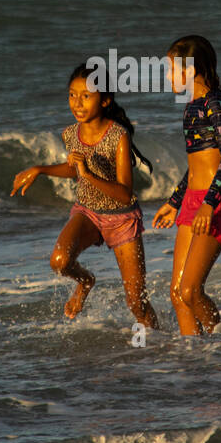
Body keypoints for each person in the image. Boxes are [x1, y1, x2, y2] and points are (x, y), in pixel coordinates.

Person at [11, 64, 159, 327]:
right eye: (71, 95)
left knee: (137, 303)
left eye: (86, 96)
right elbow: (73, 168)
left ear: (105, 100)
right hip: (88, 213)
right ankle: (85, 280)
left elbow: (126, 194)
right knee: (60, 261)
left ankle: (164, 351)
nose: (77, 103)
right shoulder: (70, 134)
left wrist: (88, 174)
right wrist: (40, 169)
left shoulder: (118, 135)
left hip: (121, 219)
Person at [151, 35, 221, 335]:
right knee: (177, 294)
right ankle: (194, 362)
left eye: (172, 69)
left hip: (217, 201)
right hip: (193, 200)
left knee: (190, 291)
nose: (168, 76)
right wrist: (175, 201)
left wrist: (208, 203)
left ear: (191, 70)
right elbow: (195, 167)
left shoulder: (216, 103)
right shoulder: (191, 107)